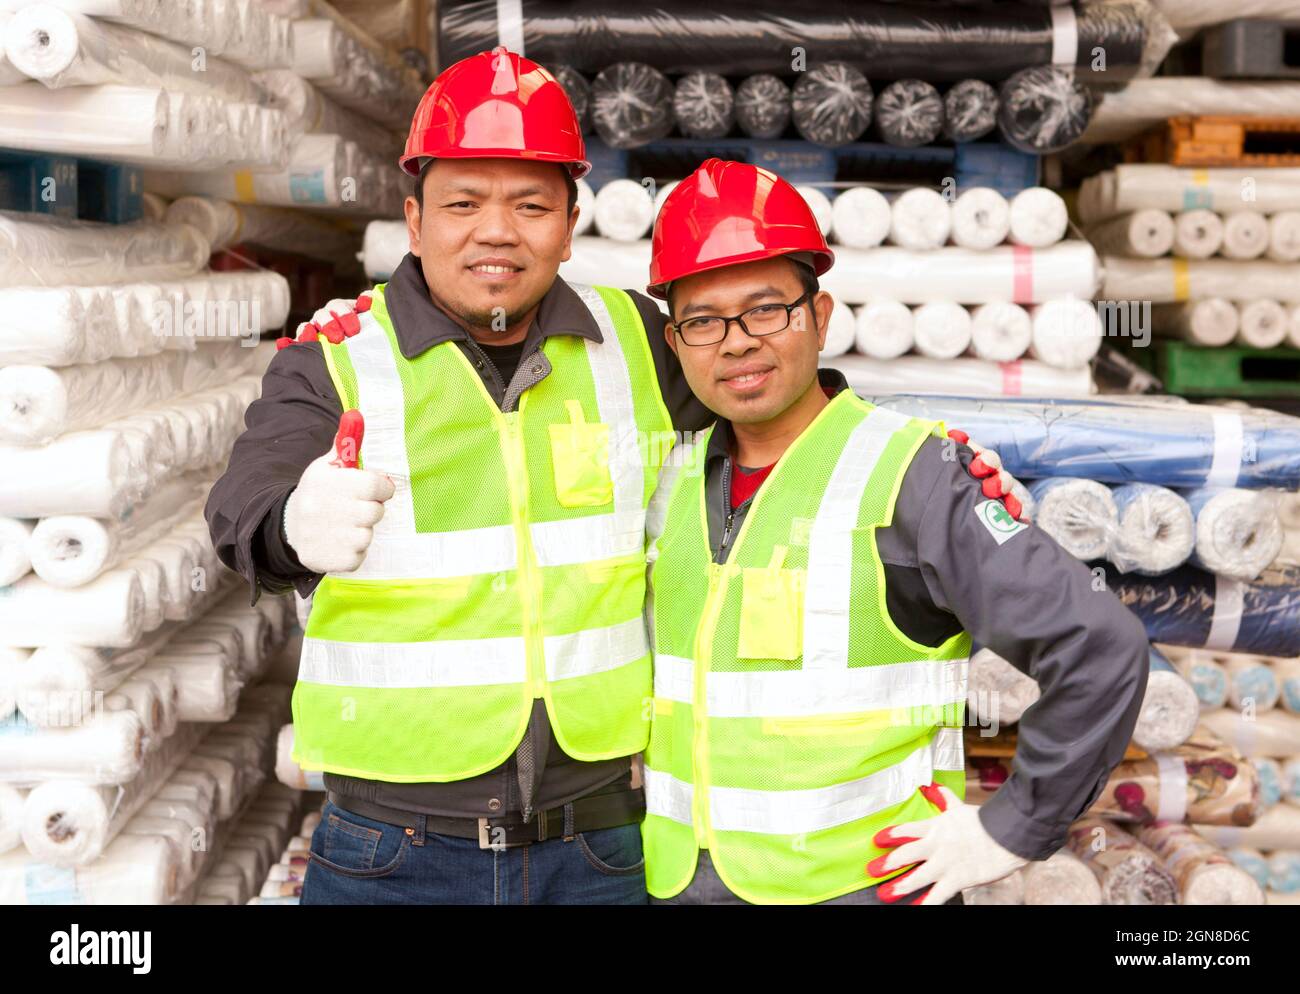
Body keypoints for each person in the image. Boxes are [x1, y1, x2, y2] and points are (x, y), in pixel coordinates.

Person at [205, 47, 713, 905]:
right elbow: (239, 513)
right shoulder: (338, 359)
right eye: (463, 203)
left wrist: (927, 468)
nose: (496, 231)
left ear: (572, 218)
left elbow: (770, 418)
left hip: (597, 844)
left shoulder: (637, 343)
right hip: (390, 854)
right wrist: (294, 523)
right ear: (414, 217)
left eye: (530, 205)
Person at [638, 159, 1151, 905]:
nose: (737, 341)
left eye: (766, 309)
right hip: (680, 883)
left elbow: (1100, 650)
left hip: (860, 887)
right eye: (704, 320)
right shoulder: (672, 482)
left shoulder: (916, 473)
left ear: (819, 316)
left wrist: (1009, 829)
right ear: (676, 341)